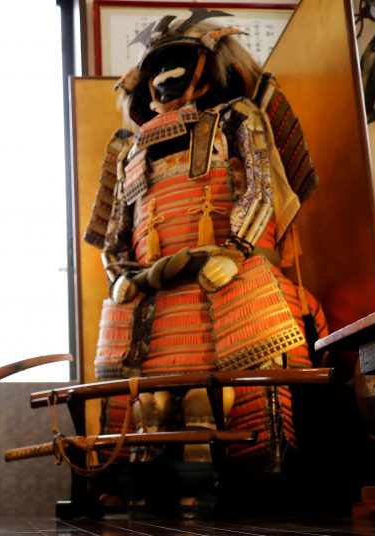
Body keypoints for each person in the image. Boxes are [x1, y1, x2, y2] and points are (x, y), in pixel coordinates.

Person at [84, 10, 328, 473]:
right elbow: (116, 230)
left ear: (206, 67)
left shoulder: (237, 117)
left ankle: (244, 469)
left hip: (226, 274)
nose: (167, 75)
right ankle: (149, 473)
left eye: (179, 61)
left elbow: (259, 191)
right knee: (144, 405)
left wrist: (236, 251)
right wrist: (119, 275)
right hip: (150, 291)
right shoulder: (127, 149)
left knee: (245, 363)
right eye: (157, 65)